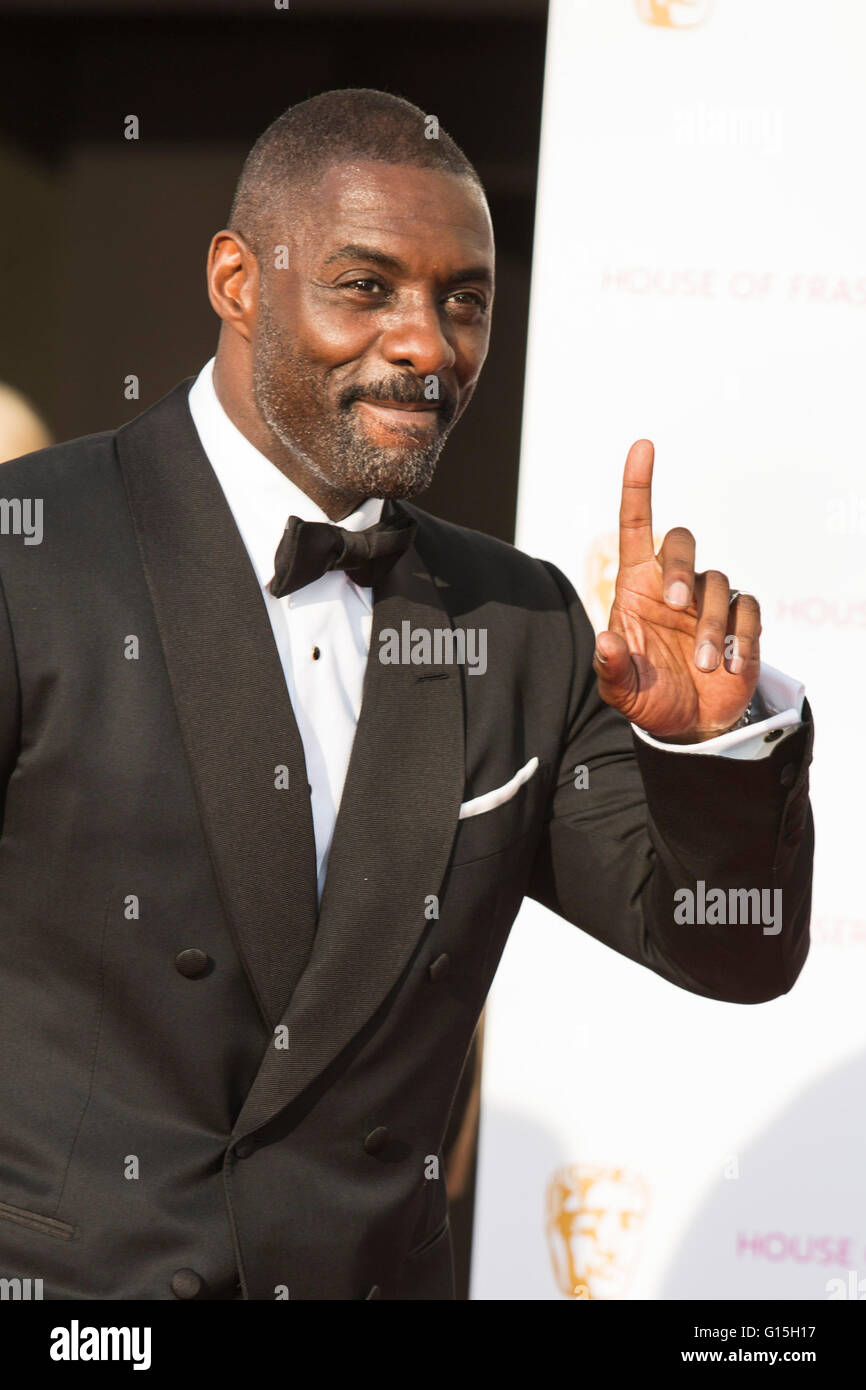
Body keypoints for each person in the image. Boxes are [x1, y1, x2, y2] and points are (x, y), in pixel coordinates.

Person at [0, 88, 812, 1301]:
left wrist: (713, 754)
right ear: (237, 279)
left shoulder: (524, 621)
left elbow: (731, 948)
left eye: (463, 299)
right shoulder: (34, 552)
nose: (426, 343)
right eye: (366, 286)